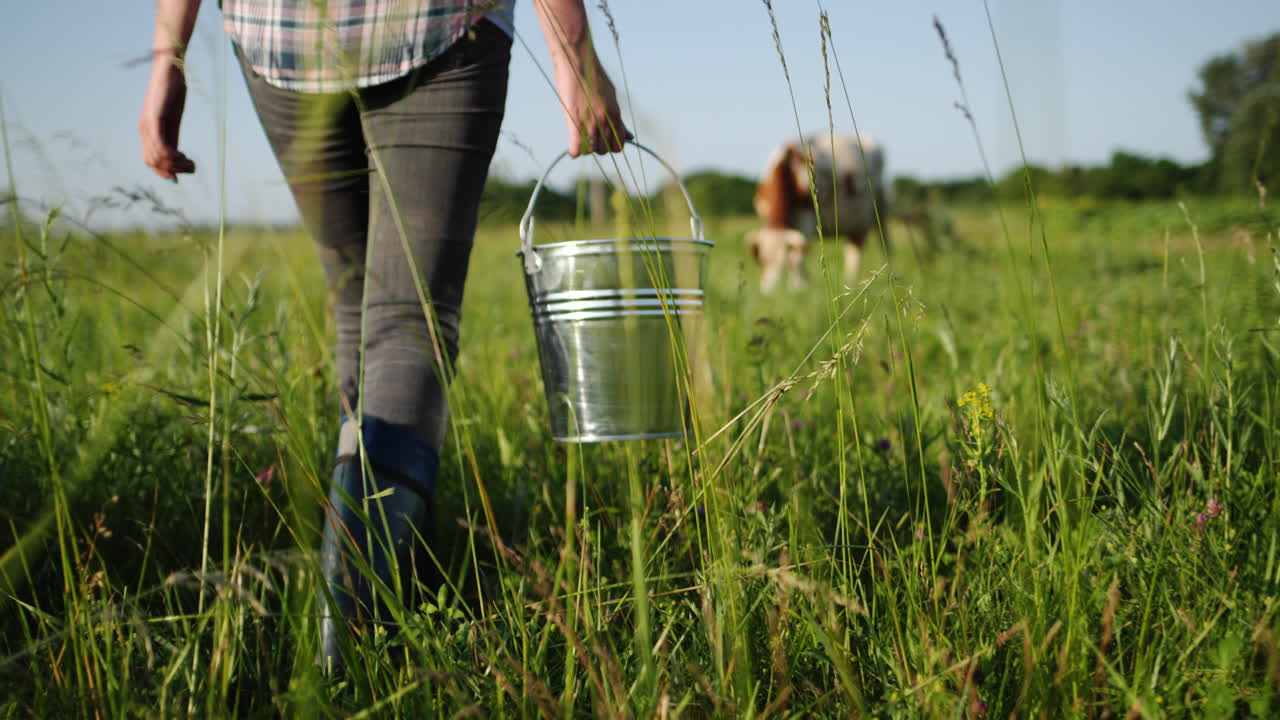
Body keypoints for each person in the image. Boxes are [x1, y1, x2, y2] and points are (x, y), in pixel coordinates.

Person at [139, 0, 632, 672]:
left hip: (278, 36)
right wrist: (574, 57)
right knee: (406, 326)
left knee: (358, 307)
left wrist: (168, 54)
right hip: (438, 24)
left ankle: (368, 594)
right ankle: (352, 647)